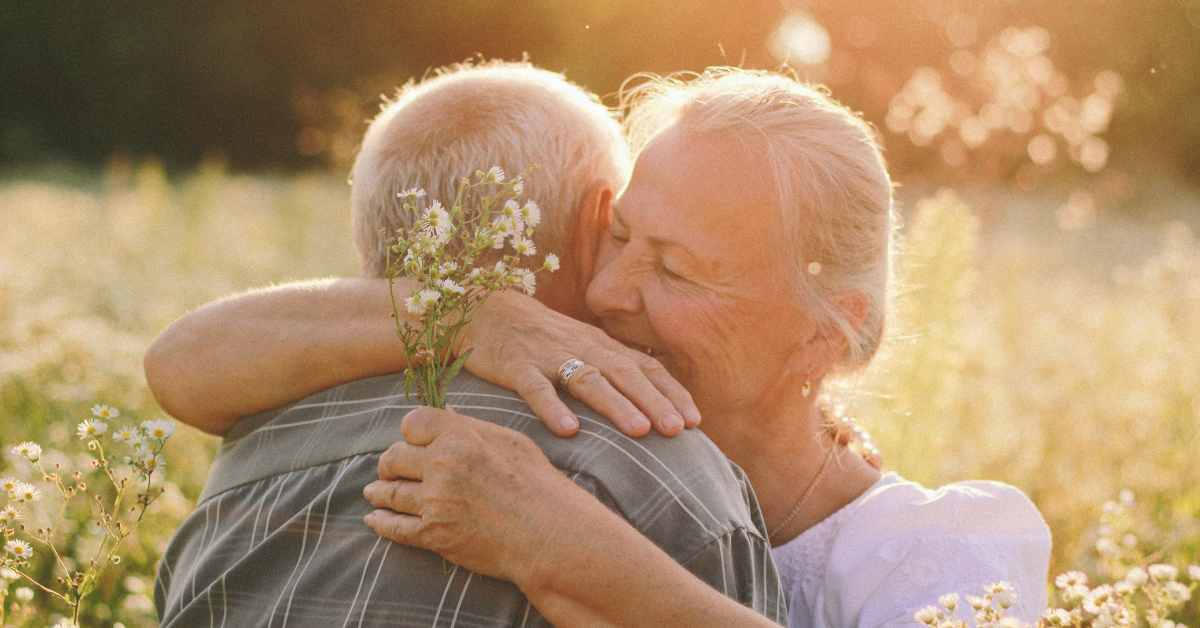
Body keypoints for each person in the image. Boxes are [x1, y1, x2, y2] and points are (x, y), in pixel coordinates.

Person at [149, 68, 1051, 628]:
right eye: (620, 238)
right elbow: (182, 362)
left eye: (678, 271)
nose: (612, 293)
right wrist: (472, 313)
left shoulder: (942, 551)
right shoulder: (570, 433)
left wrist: (559, 547)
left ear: (828, 330)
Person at [150, 62, 787, 628]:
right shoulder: (661, 466)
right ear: (597, 218)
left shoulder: (245, 457)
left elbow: (171, 361)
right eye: (621, 231)